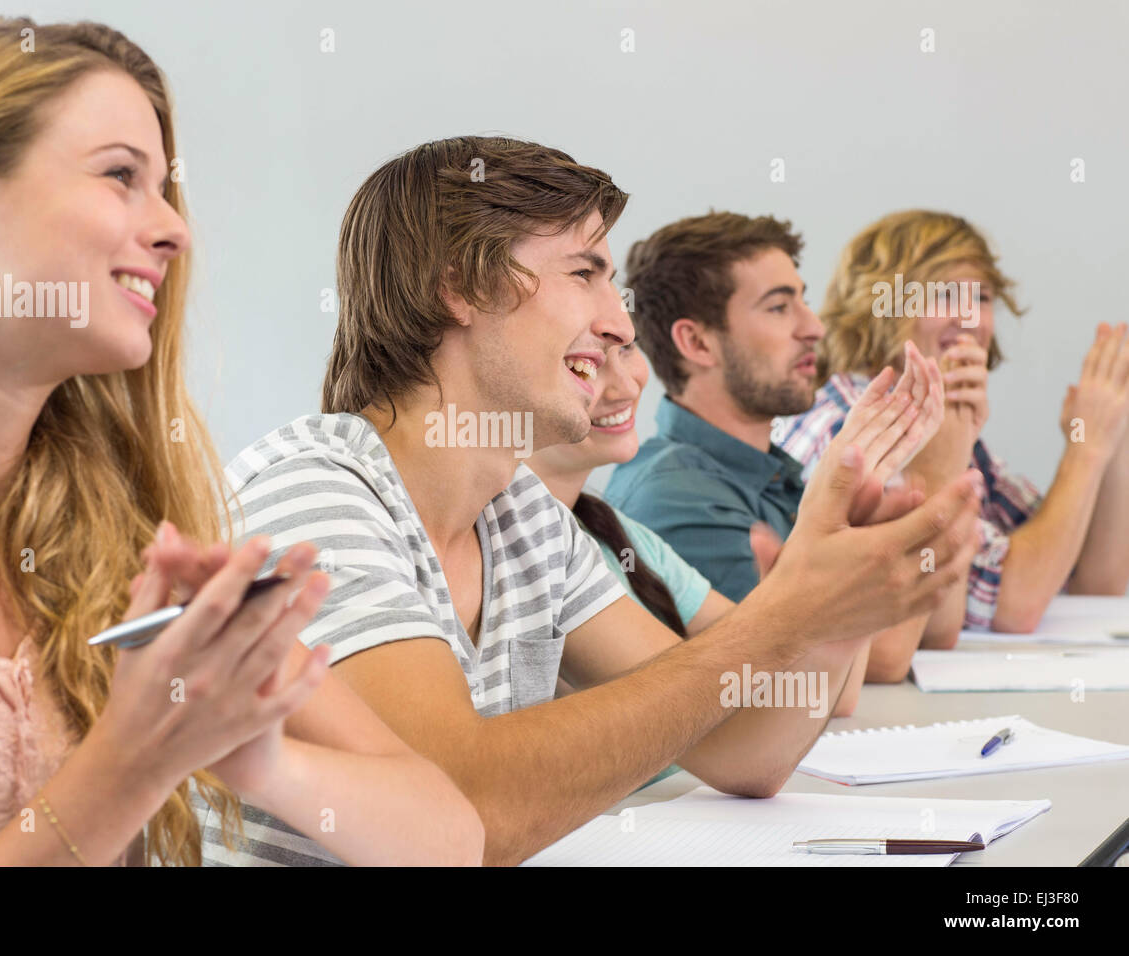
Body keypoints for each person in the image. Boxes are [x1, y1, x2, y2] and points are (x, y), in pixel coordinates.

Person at [208, 136, 982, 866]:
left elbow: (747, 752)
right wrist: (785, 614)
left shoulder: (519, 513)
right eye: (584, 274)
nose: (617, 324)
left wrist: (830, 607)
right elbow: (468, 808)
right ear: (459, 288)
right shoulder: (312, 488)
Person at [0, 17, 483, 867]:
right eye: (120, 177)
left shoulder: (118, 532)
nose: (175, 228)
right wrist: (132, 762)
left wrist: (259, 756)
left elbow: (449, 838)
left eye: (165, 188)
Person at [606, 211, 945, 682]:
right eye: (779, 307)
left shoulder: (771, 474)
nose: (814, 328)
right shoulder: (678, 497)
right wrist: (905, 483)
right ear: (697, 342)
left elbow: (925, 632)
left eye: (802, 301)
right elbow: (818, 682)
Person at [780, 209, 1129, 636]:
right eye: (943, 295)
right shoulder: (849, 425)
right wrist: (1086, 450)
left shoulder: (950, 426)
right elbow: (1016, 603)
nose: (968, 319)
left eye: (980, 298)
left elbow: (1090, 581)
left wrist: (1114, 432)